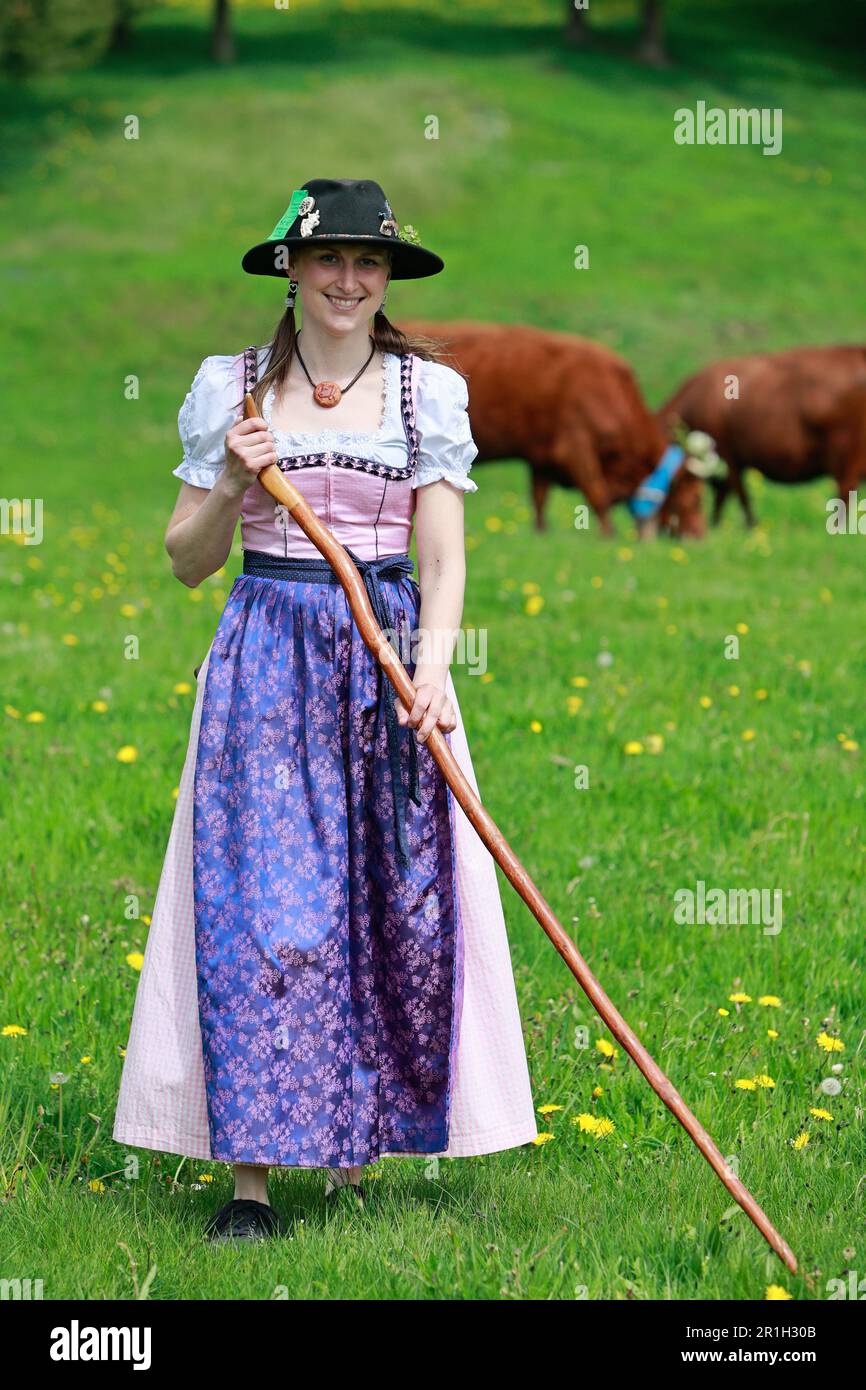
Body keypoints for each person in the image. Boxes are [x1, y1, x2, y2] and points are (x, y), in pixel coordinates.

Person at [112, 178, 538, 1242]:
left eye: (369, 263)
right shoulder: (235, 388)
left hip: (390, 658)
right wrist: (226, 481)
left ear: (385, 278)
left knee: (388, 899)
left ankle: (359, 1140)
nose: (349, 280)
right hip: (267, 658)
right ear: (289, 270)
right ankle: (250, 1182)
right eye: (328, 260)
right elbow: (184, 563)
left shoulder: (422, 392)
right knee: (266, 914)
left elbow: (440, 551)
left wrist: (433, 669)